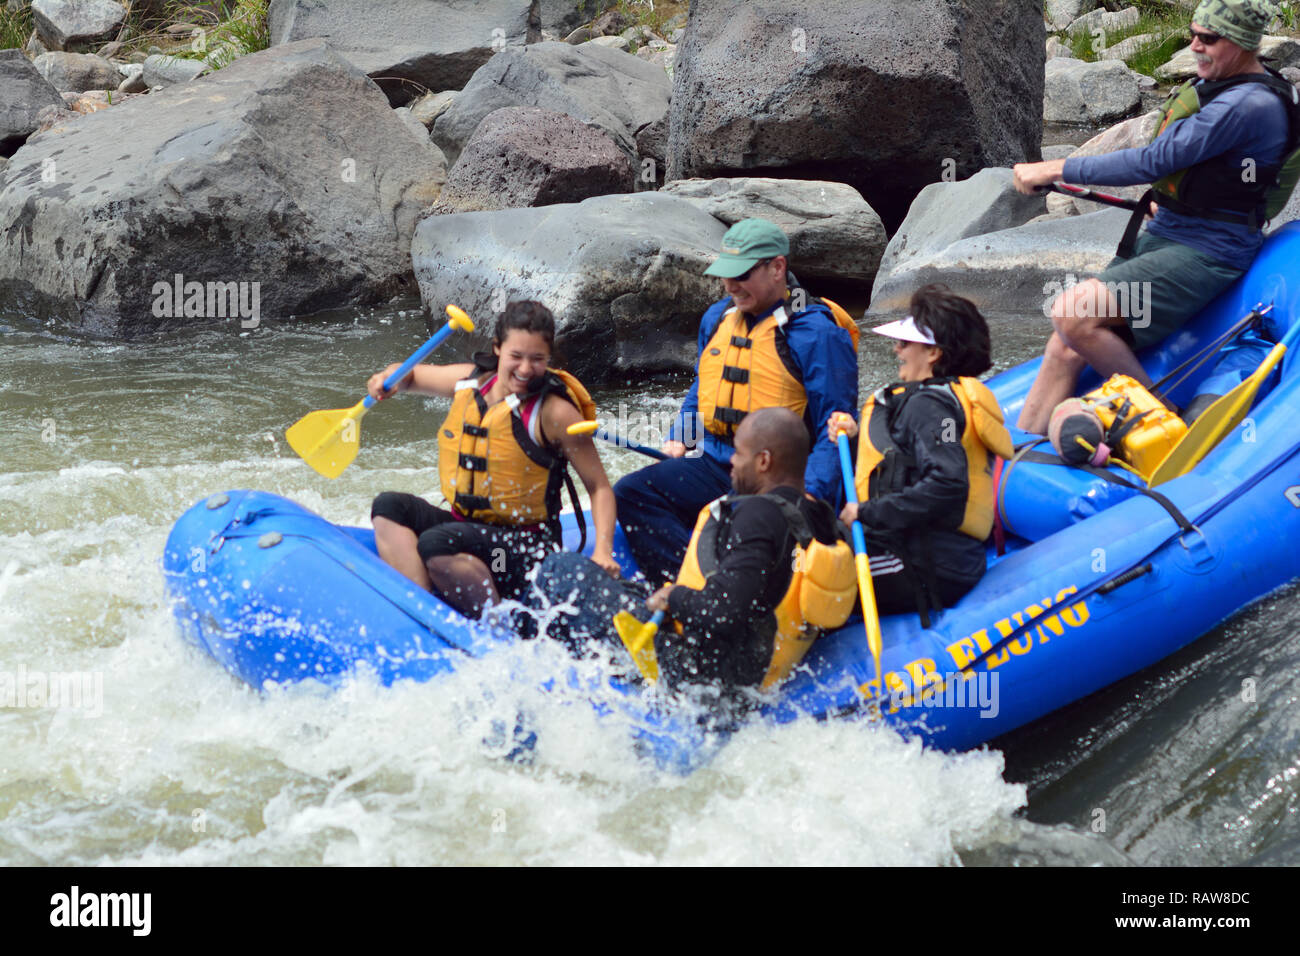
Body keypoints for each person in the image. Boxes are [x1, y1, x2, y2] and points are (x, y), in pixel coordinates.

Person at [1012, 0, 1298, 434]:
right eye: (1194, 34)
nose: (1196, 46)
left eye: (1209, 39)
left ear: (1241, 43)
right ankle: (1010, 460)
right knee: (1065, 345)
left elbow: (1154, 161)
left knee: (1073, 312)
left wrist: (1055, 168)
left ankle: (1159, 425)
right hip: (1171, 232)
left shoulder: (1247, 105)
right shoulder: (1227, 85)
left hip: (1208, 252)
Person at [534, 407, 855, 695]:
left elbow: (723, 610)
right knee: (627, 588)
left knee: (561, 568)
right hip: (757, 662)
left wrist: (672, 597)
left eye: (739, 453)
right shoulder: (820, 518)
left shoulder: (759, 516)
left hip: (694, 671)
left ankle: (556, 684)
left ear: (764, 461)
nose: (732, 461)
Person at [614, 217, 859, 587]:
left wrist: (810, 494)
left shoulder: (817, 334)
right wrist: (684, 437)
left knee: (741, 525)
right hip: (716, 461)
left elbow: (834, 427)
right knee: (632, 493)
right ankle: (691, 587)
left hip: (777, 476)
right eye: (726, 274)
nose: (730, 285)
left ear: (777, 268)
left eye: (741, 275)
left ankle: (725, 593)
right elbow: (703, 388)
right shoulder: (717, 317)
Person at [366, 301, 619, 617]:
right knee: (389, 506)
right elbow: (412, 376)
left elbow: (599, 487)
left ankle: (498, 627)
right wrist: (388, 379)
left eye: (537, 359)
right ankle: (423, 609)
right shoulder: (472, 380)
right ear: (498, 348)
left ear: (548, 358)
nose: (525, 369)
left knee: (436, 542)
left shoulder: (554, 412)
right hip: (467, 530)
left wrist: (603, 551)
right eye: (516, 356)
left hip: (518, 552)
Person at [828, 285, 1013, 624]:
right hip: (932, 553)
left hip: (929, 562)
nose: (896, 349)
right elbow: (902, 466)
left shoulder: (930, 405)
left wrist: (866, 513)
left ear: (933, 354)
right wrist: (856, 441)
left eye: (905, 342)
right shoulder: (936, 400)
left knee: (804, 569)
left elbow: (948, 483)